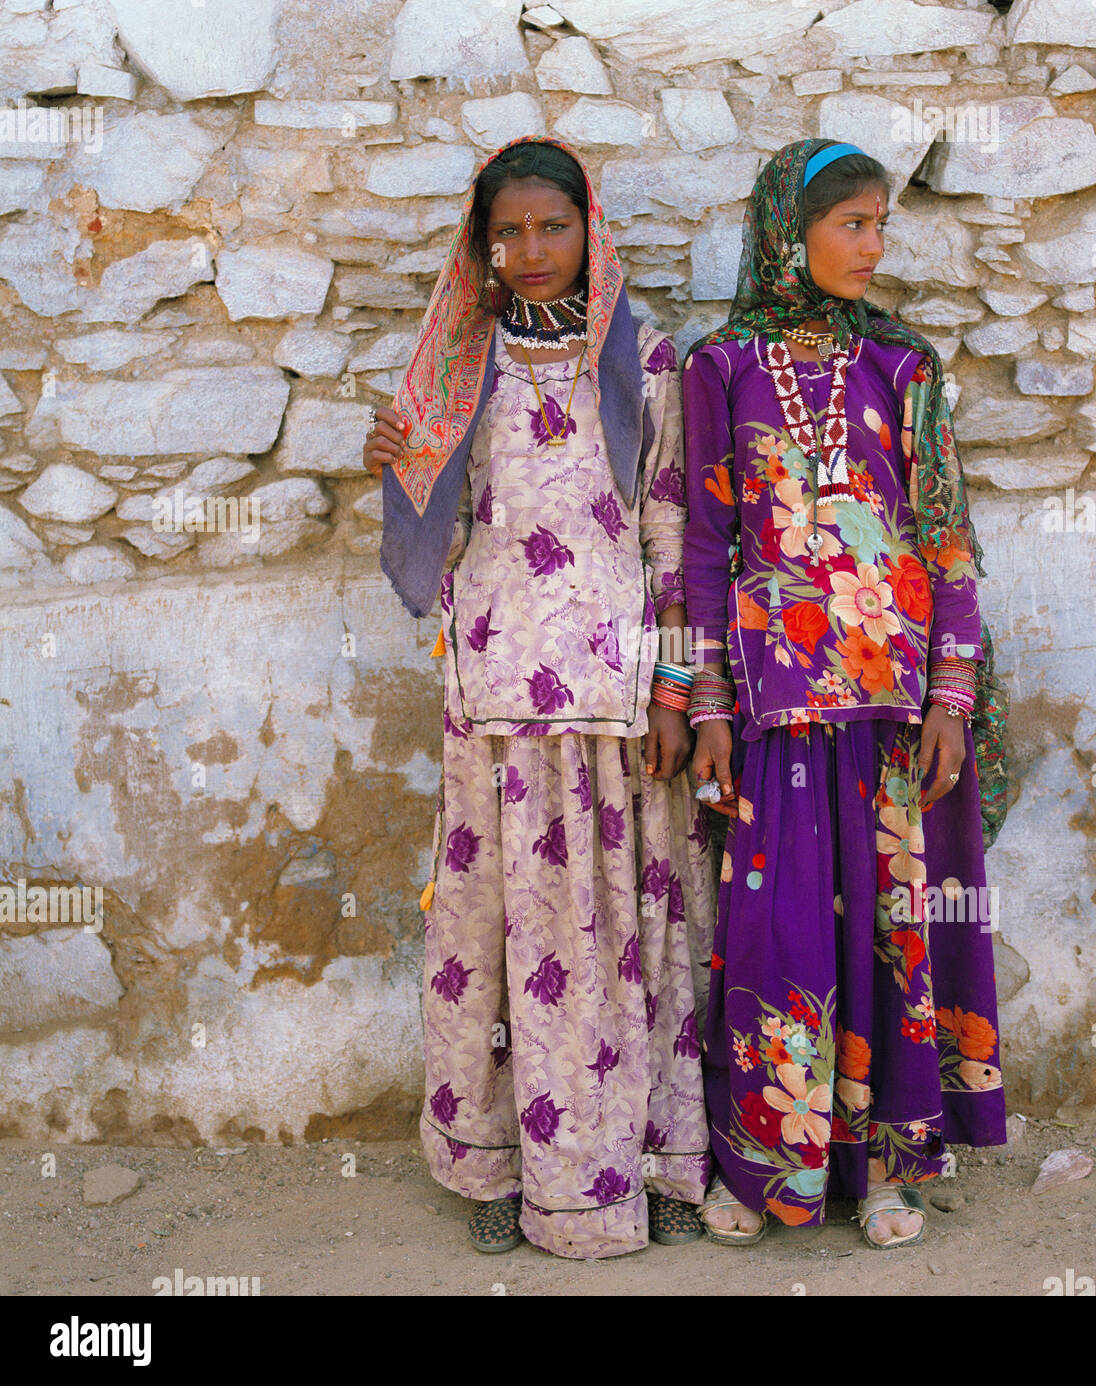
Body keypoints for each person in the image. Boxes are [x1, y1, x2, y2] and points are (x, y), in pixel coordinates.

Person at [366, 136, 716, 1259]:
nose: (529, 251)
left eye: (550, 227)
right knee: (496, 940)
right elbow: (445, 533)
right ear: (482, 244)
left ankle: (654, 1156)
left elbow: (672, 529)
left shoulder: (647, 362)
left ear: (588, 228)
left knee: (629, 939)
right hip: (498, 699)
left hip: (615, 703)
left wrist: (674, 687)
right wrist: (401, 463)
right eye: (506, 232)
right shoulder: (457, 369)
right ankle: (498, 1167)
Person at [682, 138, 1009, 1248]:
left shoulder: (904, 367)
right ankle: (760, 1171)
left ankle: (887, 1174)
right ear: (791, 232)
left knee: (888, 936)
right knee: (773, 942)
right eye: (852, 224)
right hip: (775, 715)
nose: (874, 246)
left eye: (881, 224)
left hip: (888, 709)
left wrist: (951, 695)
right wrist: (708, 702)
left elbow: (945, 537)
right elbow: (700, 542)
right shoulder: (718, 368)